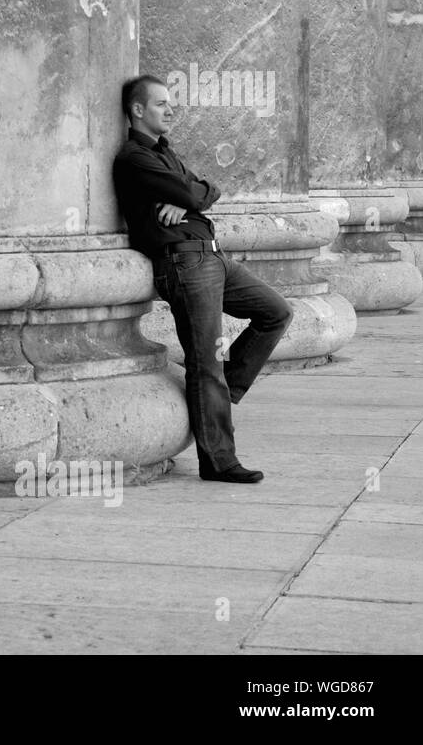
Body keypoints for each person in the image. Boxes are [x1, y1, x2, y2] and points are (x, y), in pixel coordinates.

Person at [112, 75, 292, 483]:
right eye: (161, 104)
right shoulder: (133, 158)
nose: (171, 109)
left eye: (170, 102)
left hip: (213, 257)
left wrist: (189, 196)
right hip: (185, 263)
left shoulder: (165, 153)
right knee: (205, 359)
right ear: (138, 110)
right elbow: (195, 196)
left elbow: (206, 189)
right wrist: (189, 197)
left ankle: (218, 395)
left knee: (277, 312)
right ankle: (219, 460)